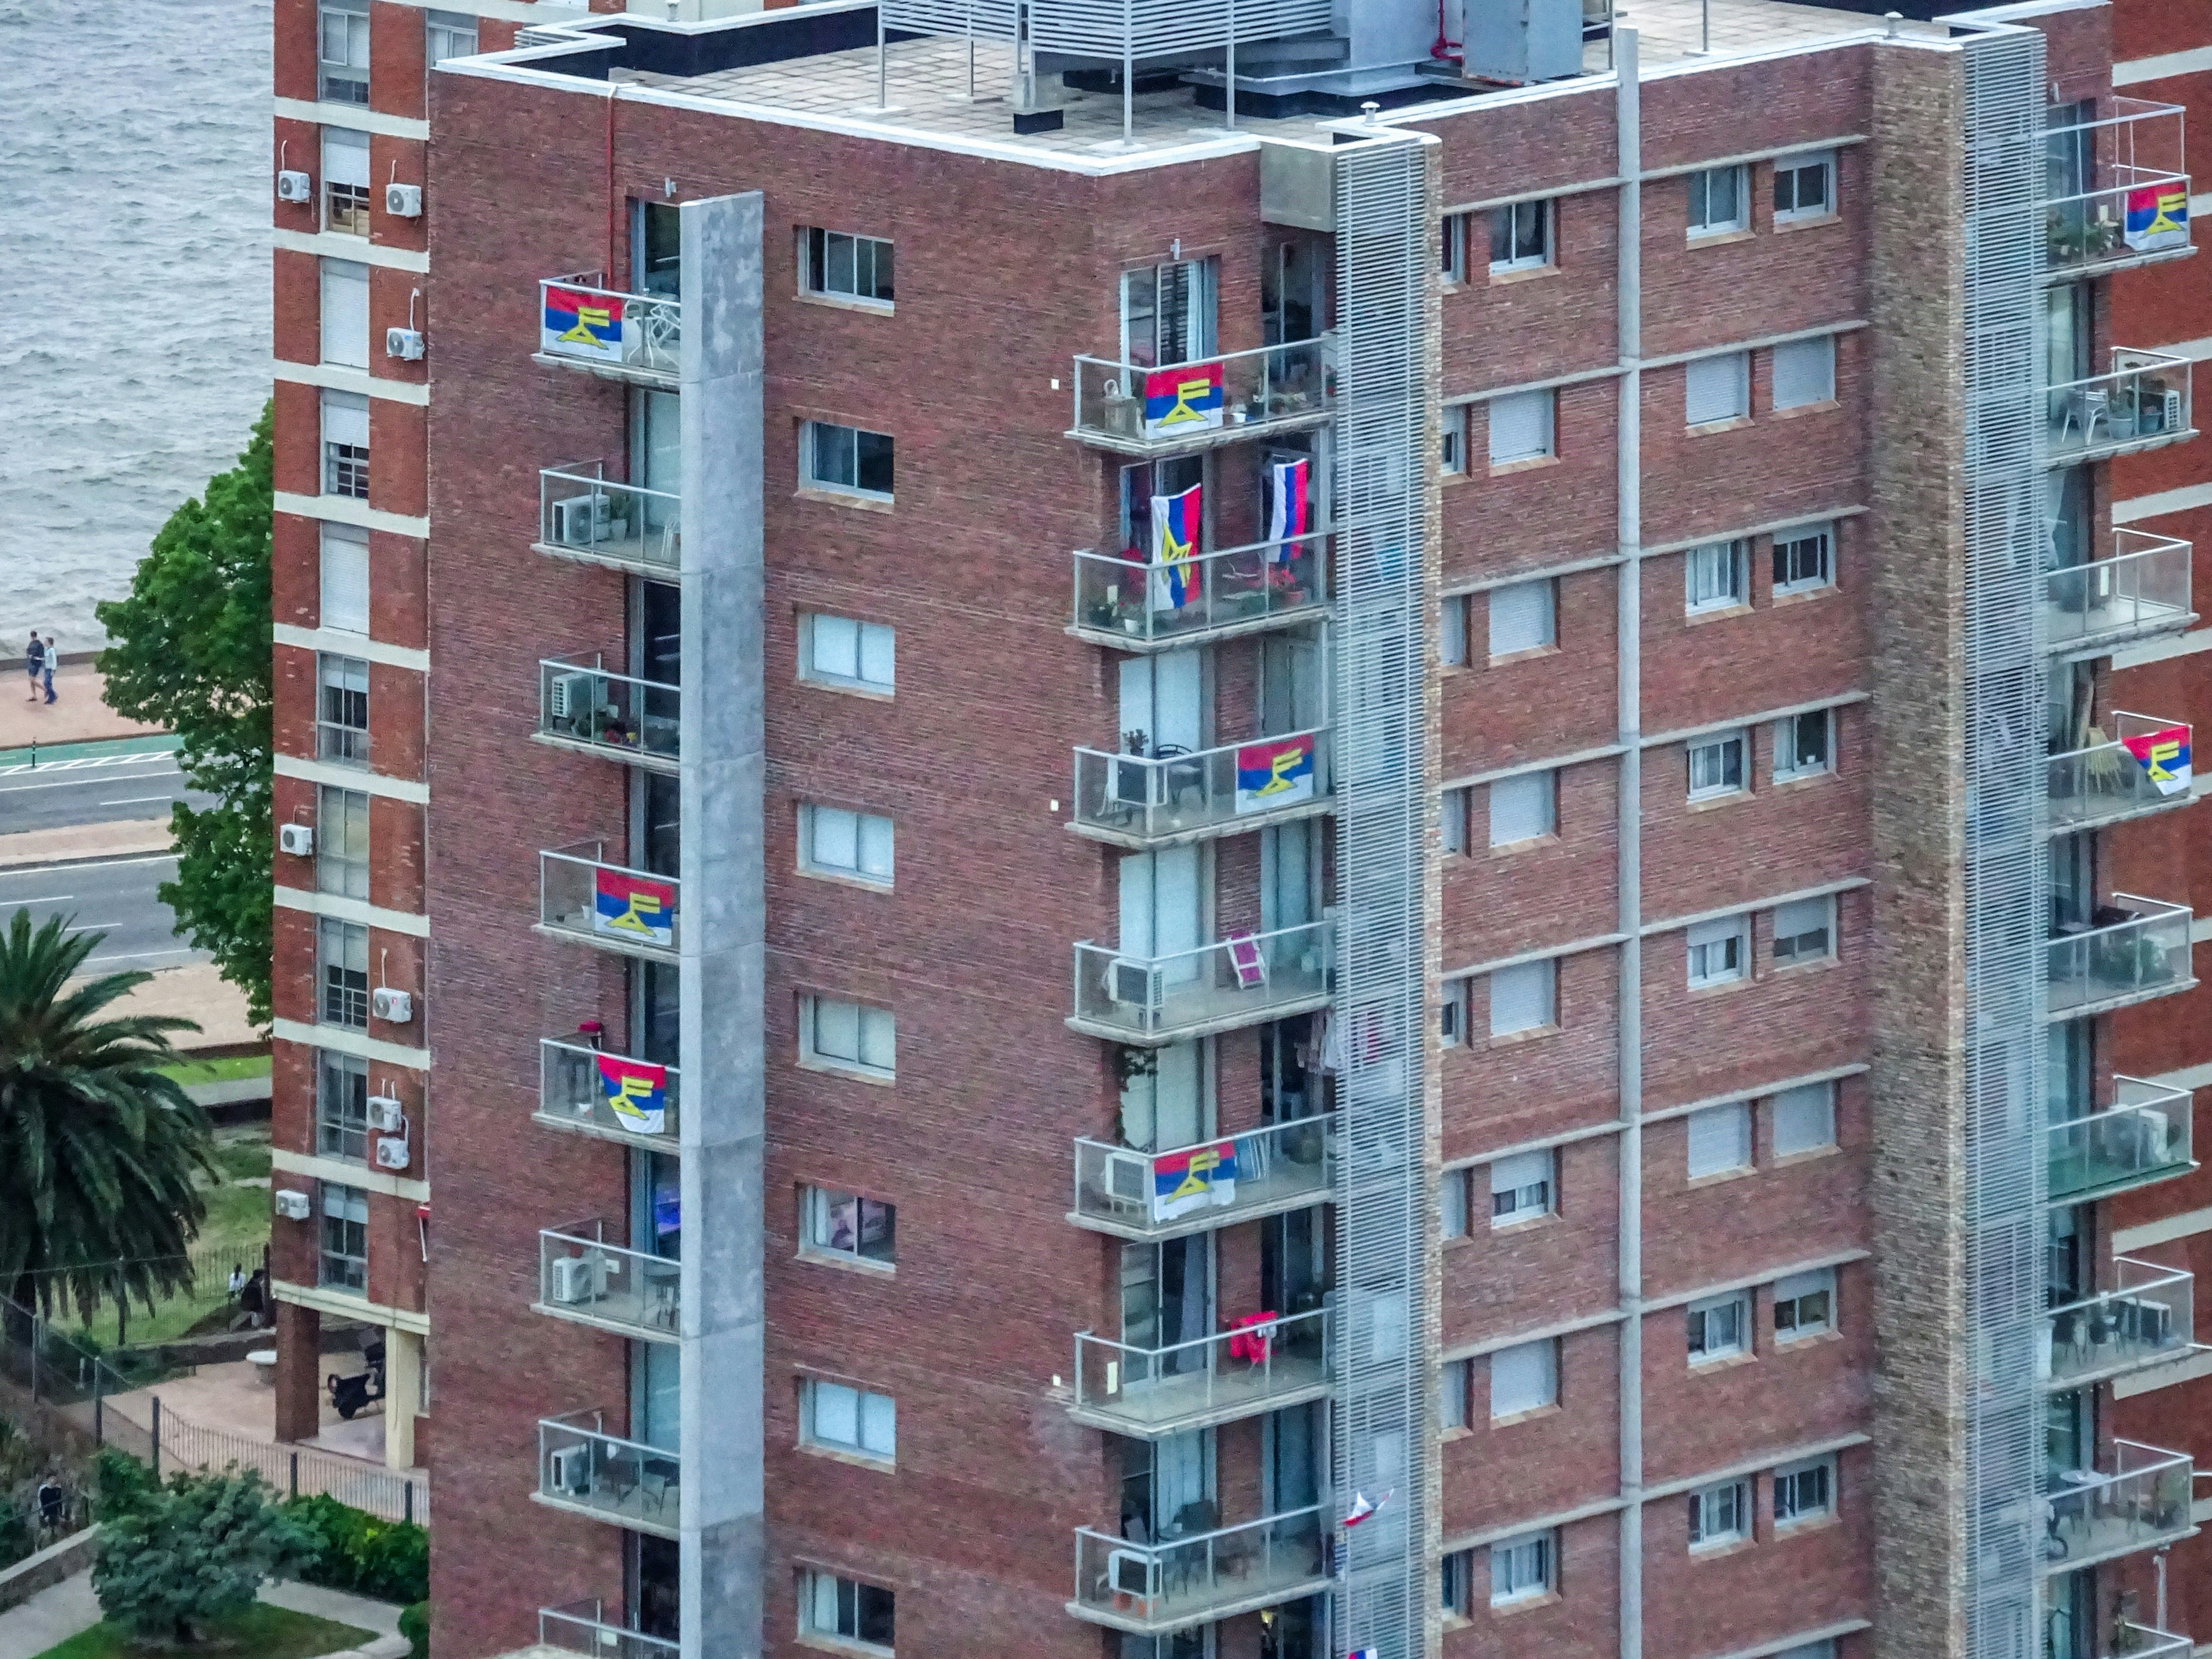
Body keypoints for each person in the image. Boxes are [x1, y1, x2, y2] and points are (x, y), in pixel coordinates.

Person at [24, 633, 42, 702]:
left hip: (36, 664)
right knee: (31, 681)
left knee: (31, 679)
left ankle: (46, 690)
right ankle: (34, 695)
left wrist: (34, 657)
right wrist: (29, 656)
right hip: (31, 663)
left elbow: (41, 655)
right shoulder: (32, 643)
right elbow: (28, 651)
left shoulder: (39, 644)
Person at [40, 634, 55, 705]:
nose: (44, 642)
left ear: (49, 642)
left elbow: (54, 660)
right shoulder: (46, 650)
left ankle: (53, 696)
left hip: (50, 669)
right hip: (47, 668)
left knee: (46, 683)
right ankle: (51, 696)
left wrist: (53, 670)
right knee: (49, 683)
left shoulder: (52, 650)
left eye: (46, 642)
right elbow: (46, 659)